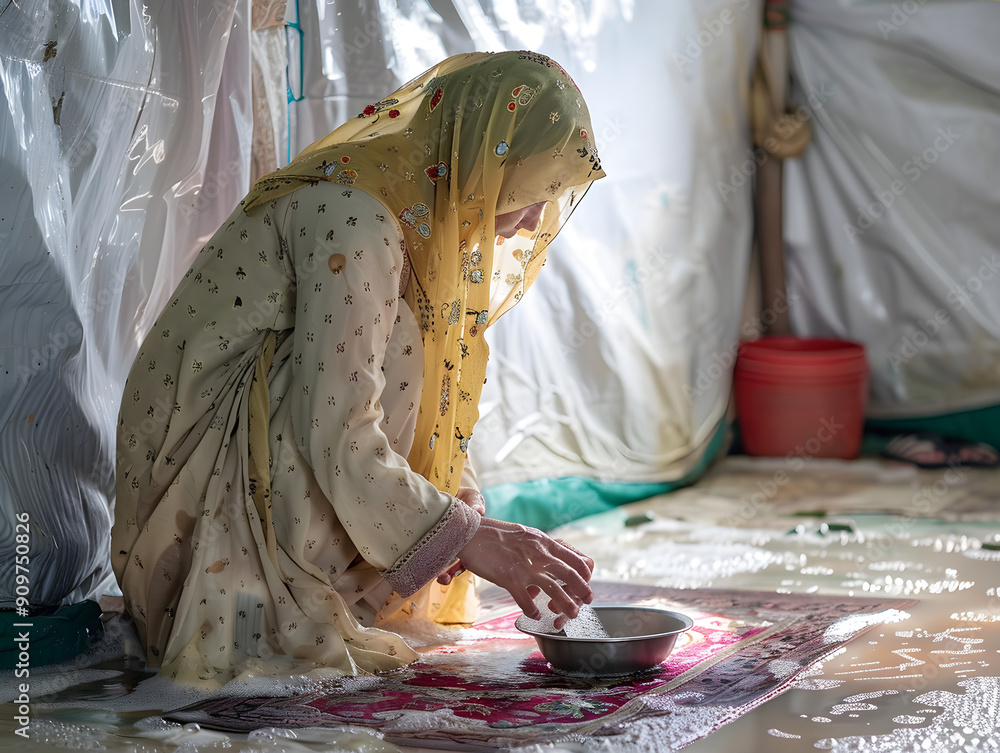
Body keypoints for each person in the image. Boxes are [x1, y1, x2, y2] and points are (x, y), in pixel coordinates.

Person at [111, 50, 606, 686]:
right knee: (401, 337)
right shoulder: (357, 214)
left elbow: (389, 402)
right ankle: (254, 608)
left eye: (550, 198)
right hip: (185, 504)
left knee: (411, 337)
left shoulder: (412, 216)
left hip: (255, 456)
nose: (532, 221)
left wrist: (459, 503)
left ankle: (314, 585)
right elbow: (337, 423)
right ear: (479, 156)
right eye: (529, 190)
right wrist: (464, 537)